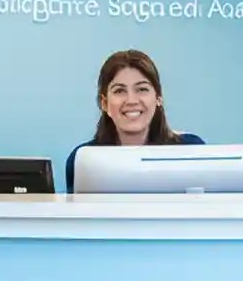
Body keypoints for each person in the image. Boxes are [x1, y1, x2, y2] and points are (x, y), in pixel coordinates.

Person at [66, 49, 205, 192]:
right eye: (119, 91)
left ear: (158, 98)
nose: (131, 101)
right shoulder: (84, 160)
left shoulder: (191, 149)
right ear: (104, 103)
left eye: (142, 89)